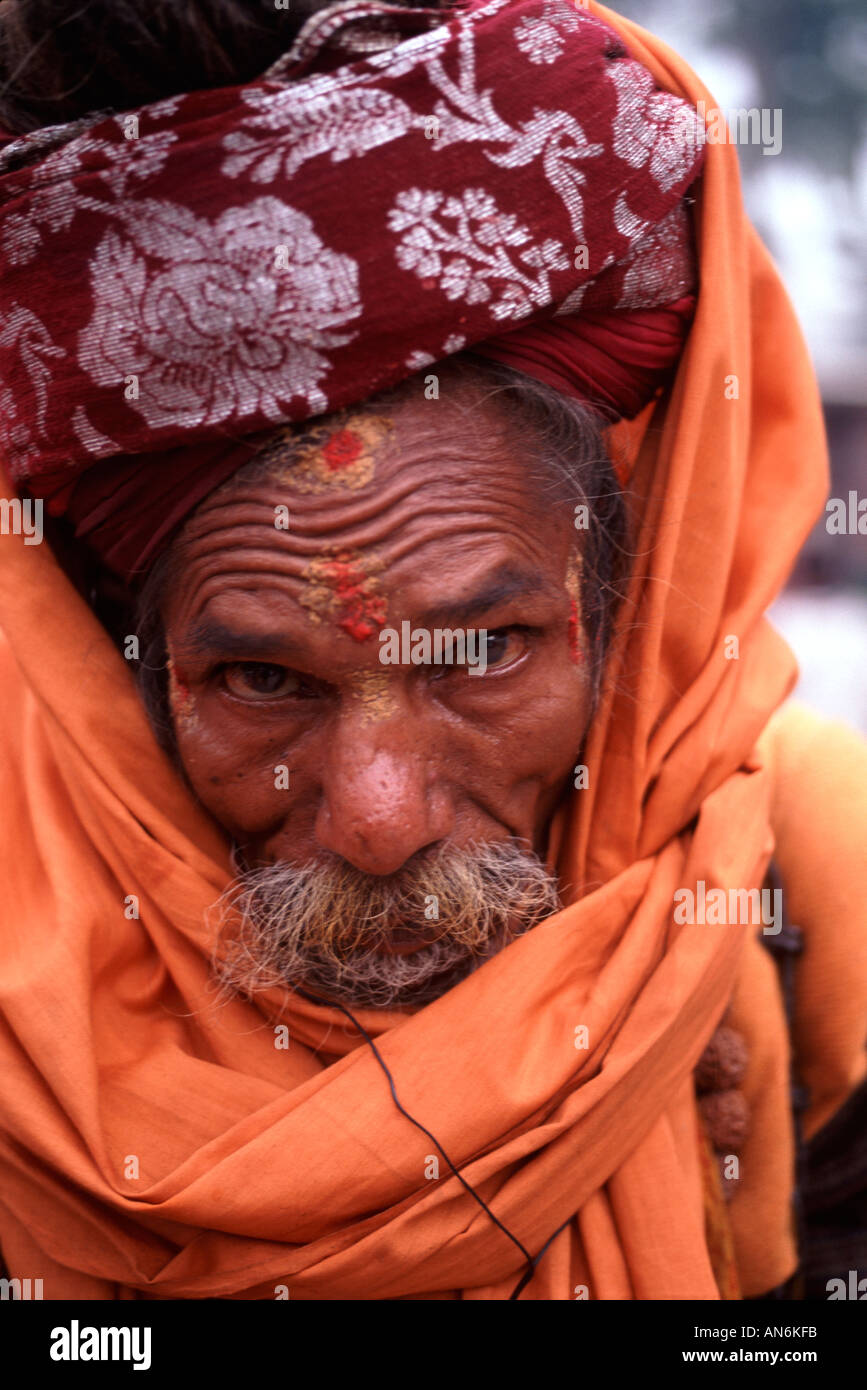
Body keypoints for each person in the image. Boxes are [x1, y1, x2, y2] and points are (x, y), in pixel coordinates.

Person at [0, 0, 864, 1301]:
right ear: (118, 650)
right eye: (262, 679)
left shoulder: (812, 860)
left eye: (480, 653)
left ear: (617, 605)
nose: (379, 819)